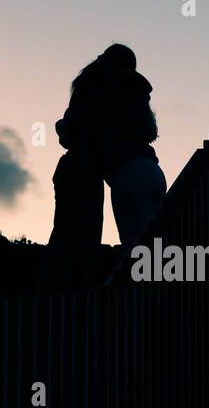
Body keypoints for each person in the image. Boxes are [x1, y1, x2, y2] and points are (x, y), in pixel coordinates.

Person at [46, 44, 165, 287]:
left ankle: (127, 301)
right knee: (152, 247)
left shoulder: (98, 92)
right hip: (154, 172)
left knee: (133, 250)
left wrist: (61, 126)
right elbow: (149, 131)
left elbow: (71, 131)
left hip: (127, 176)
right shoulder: (136, 95)